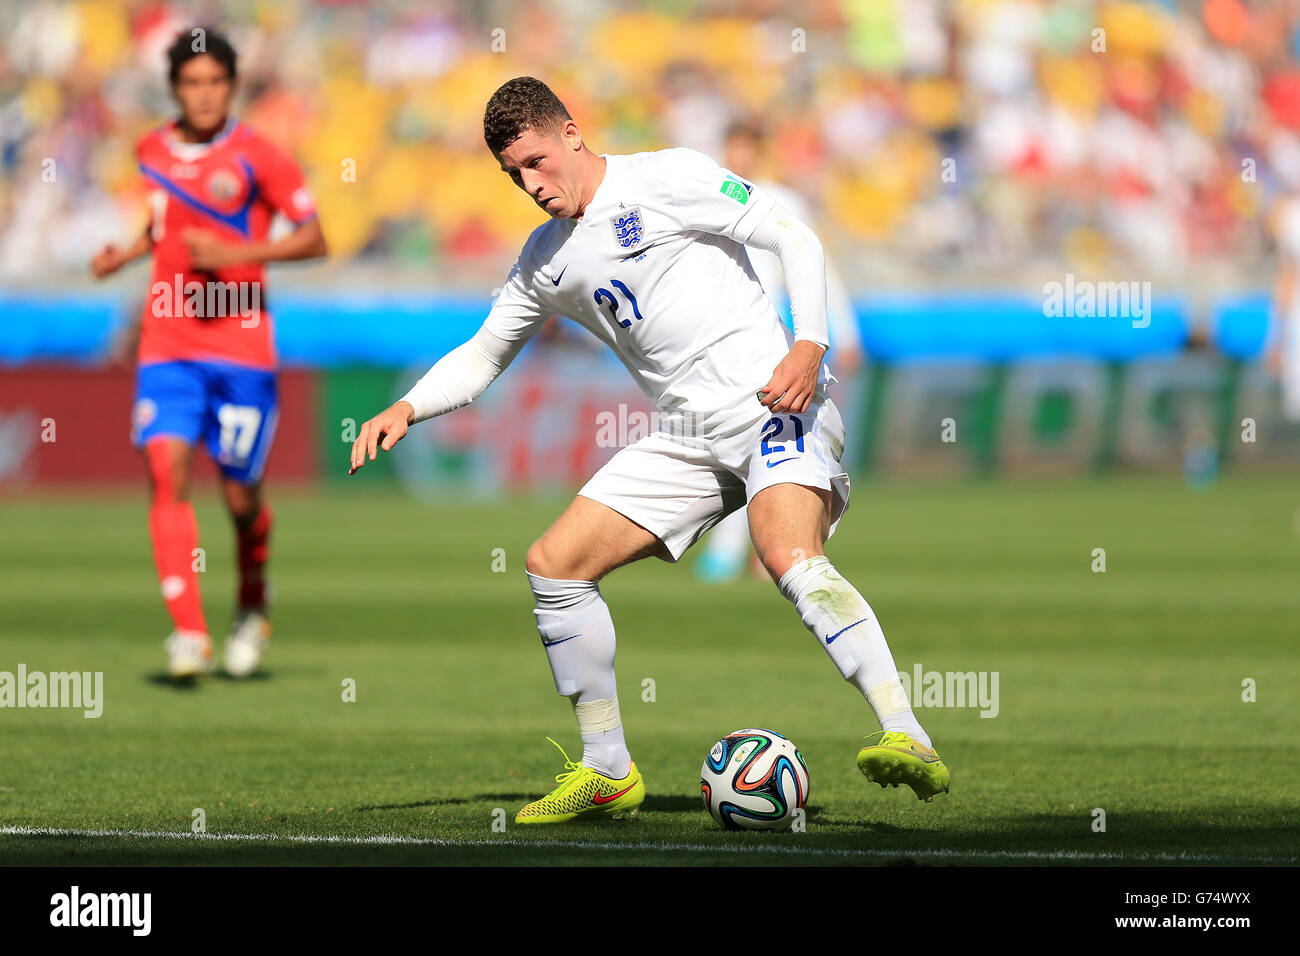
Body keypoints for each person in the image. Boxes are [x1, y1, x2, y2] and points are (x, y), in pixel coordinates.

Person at [349, 77, 948, 823]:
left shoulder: (666, 177)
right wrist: (407, 407)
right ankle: (607, 770)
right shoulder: (544, 260)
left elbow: (793, 235)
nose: (531, 184)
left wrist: (809, 342)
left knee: (784, 552)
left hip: (775, 403)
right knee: (554, 566)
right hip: (687, 437)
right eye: (513, 176)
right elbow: (482, 354)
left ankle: (907, 732)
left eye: (535, 161)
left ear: (571, 131)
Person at [92, 27, 327, 679]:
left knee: (239, 498)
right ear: (174, 88)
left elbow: (314, 239)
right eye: (192, 83)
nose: (204, 94)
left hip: (242, 346)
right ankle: (189, 632)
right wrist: (129, 253)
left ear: (233, 85)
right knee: (165, 472)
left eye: (216, 82)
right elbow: (163, 218)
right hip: (168, 340)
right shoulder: (150, 150)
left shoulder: (260, 156)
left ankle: (253, 601)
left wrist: (240, 253)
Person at [695, 120, 865, 583]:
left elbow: (817, 268)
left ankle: (757, 547)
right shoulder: (704, 198)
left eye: (746, 148)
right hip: (723, 342)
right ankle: (763, 547)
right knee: (747, 443)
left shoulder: (780, 201)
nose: (739, 157)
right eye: (732, 147)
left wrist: (842, 333)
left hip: (776, 341)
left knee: (768, 442)